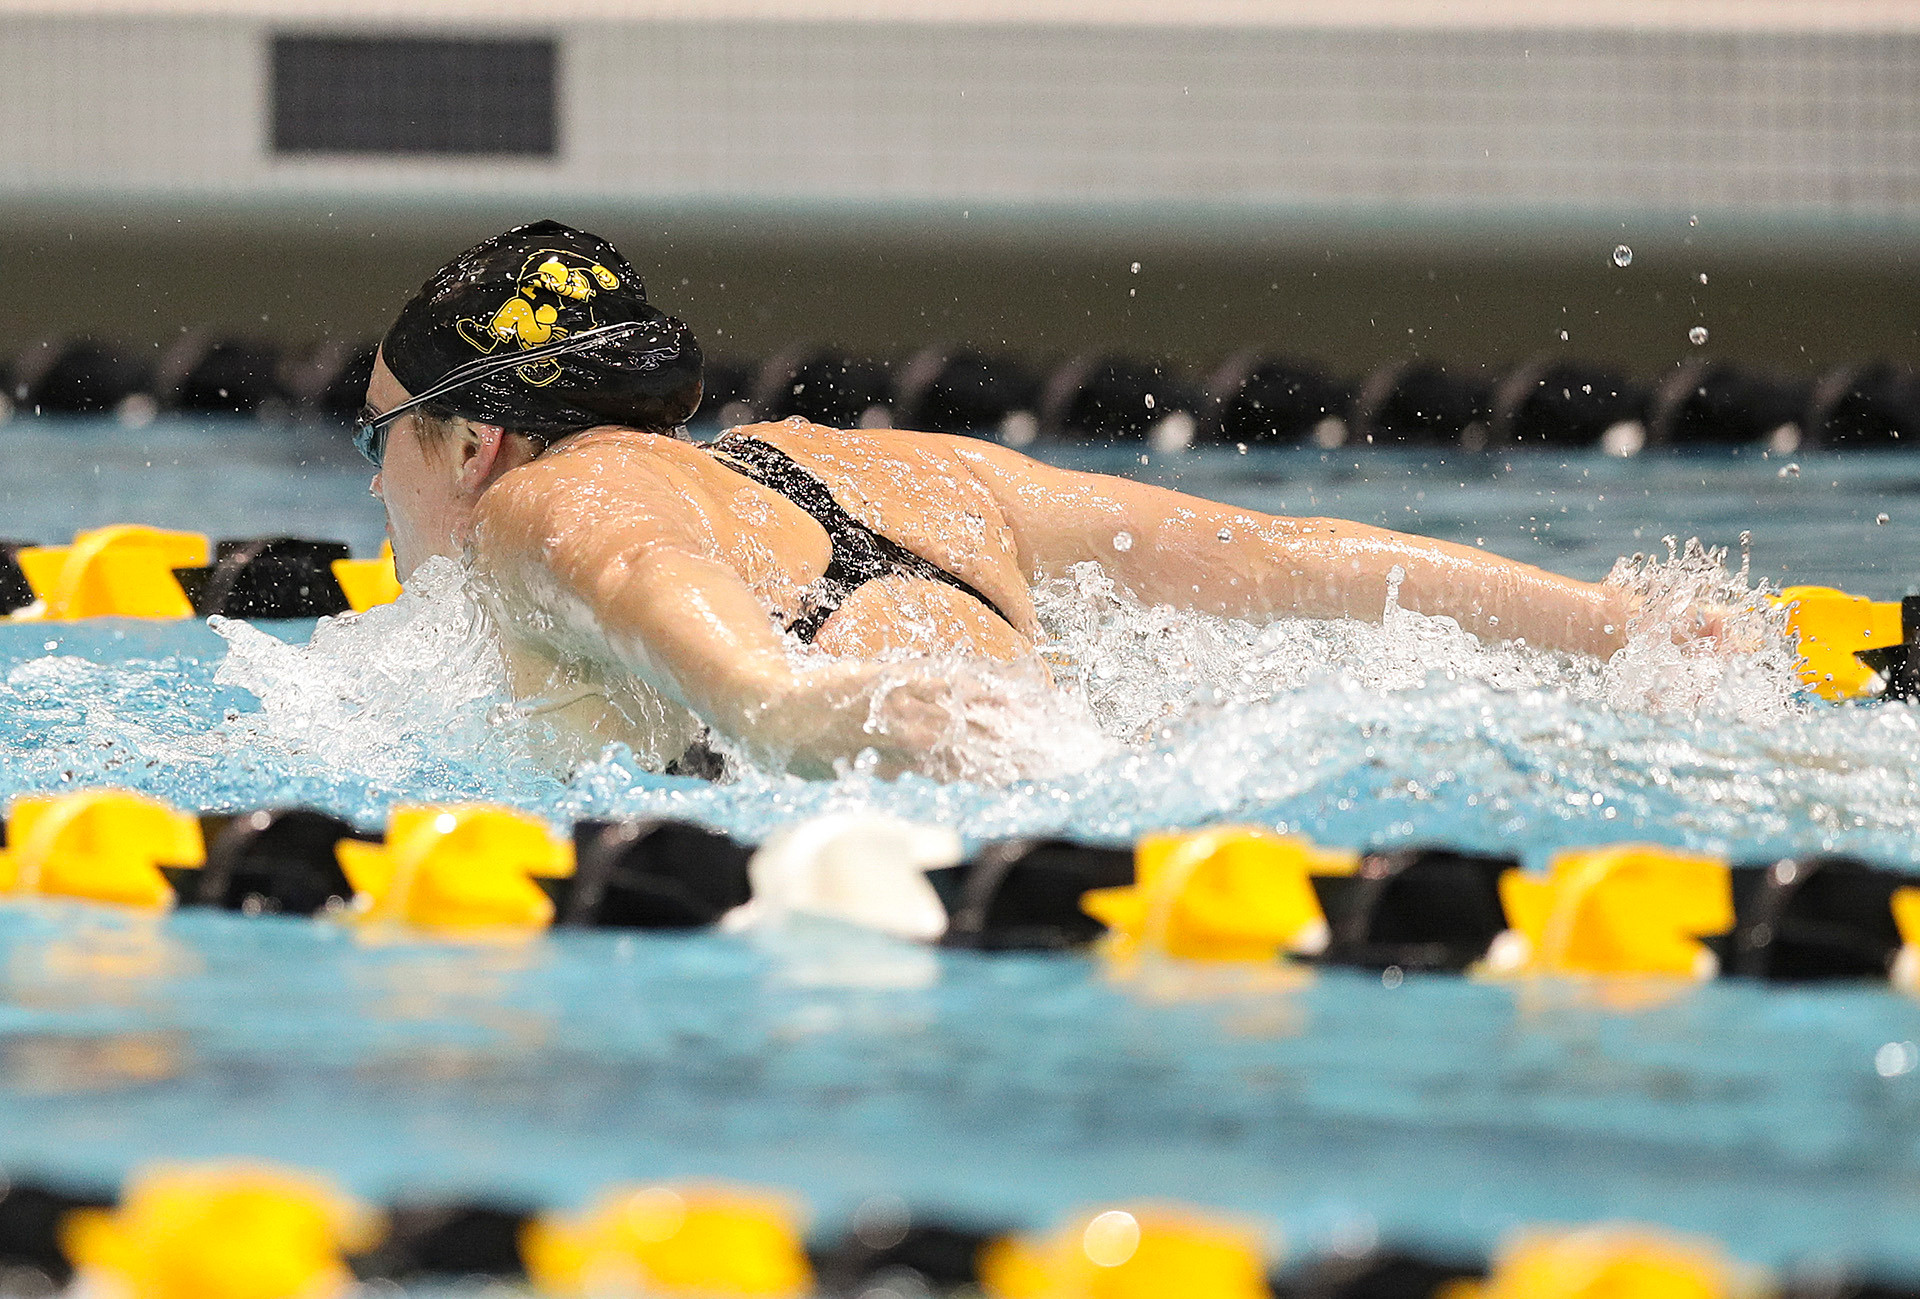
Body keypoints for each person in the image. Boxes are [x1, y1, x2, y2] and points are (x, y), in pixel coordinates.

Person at [360, 221, 1640, 780]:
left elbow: (644, 578)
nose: (373, 482)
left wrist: (783, 703)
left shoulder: (543, 507)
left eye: (378, 437)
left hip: (899, 804)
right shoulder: (886, 469)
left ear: (473, 443)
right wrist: (1604, 624)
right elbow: (1276, 555)